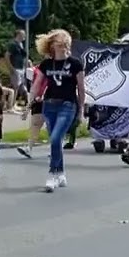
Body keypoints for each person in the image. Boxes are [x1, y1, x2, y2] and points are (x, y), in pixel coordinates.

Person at [28, 29, 85, 191]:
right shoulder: (47, 64)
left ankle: (52, 173)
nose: (60, 45)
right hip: (49, 105)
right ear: (52, 46)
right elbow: (37, 83)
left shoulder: (75, 64)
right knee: (56, 141)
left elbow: (81, 88)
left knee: (54, 138)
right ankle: (60, 173)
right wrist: (30, 99)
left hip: (68, 105)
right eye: (57, 42)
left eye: (63, 42)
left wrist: (81, 110)